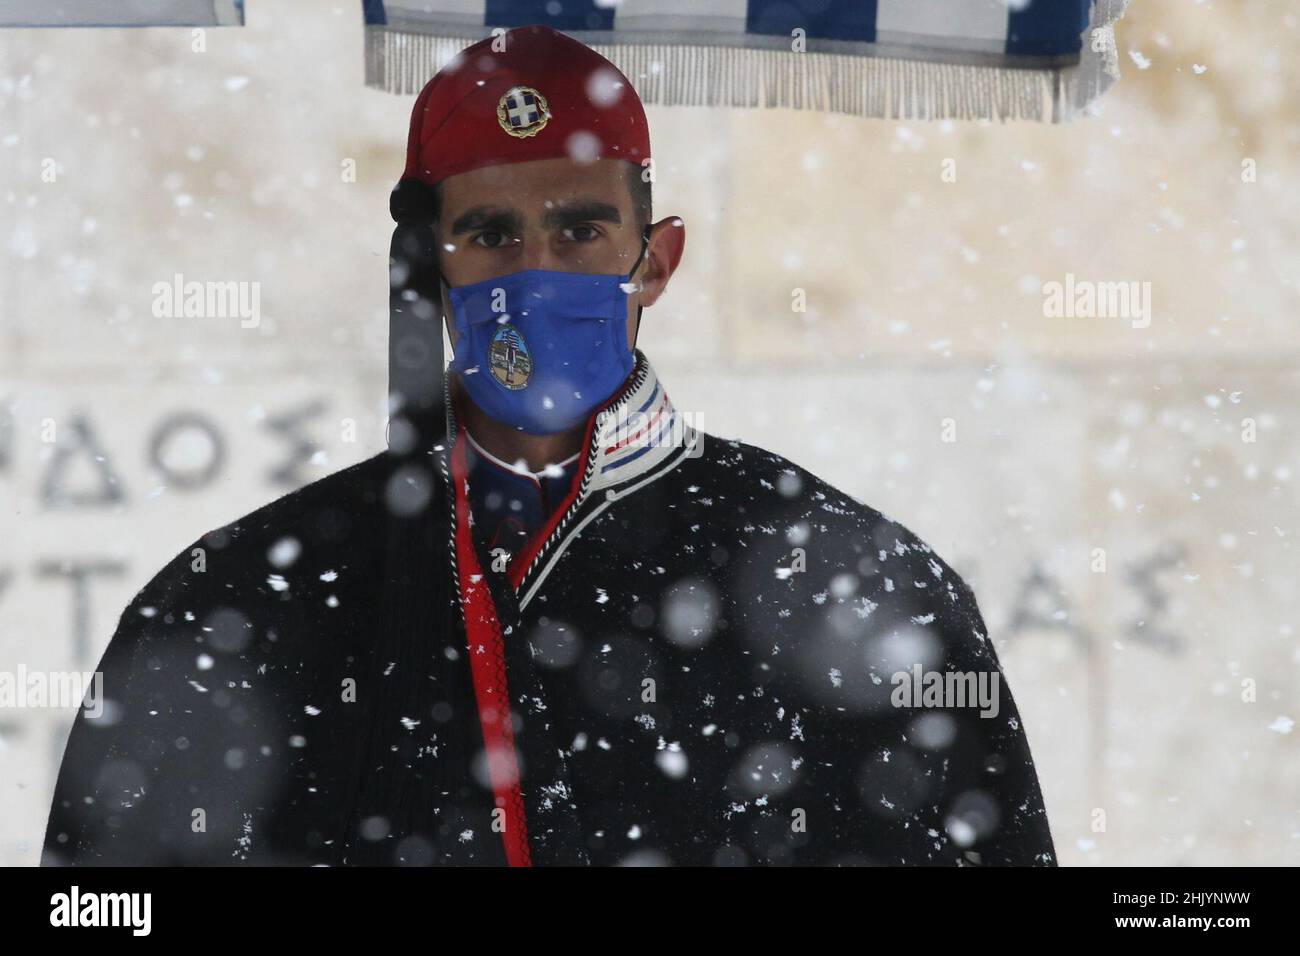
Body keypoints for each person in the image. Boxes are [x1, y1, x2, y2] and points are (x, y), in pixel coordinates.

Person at [42, 23, 1055, 866]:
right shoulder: (245, 597)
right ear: (428, 269)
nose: (532, 272)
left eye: (578, 232)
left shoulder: (857, 580)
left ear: (655, 260)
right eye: (487, 235)